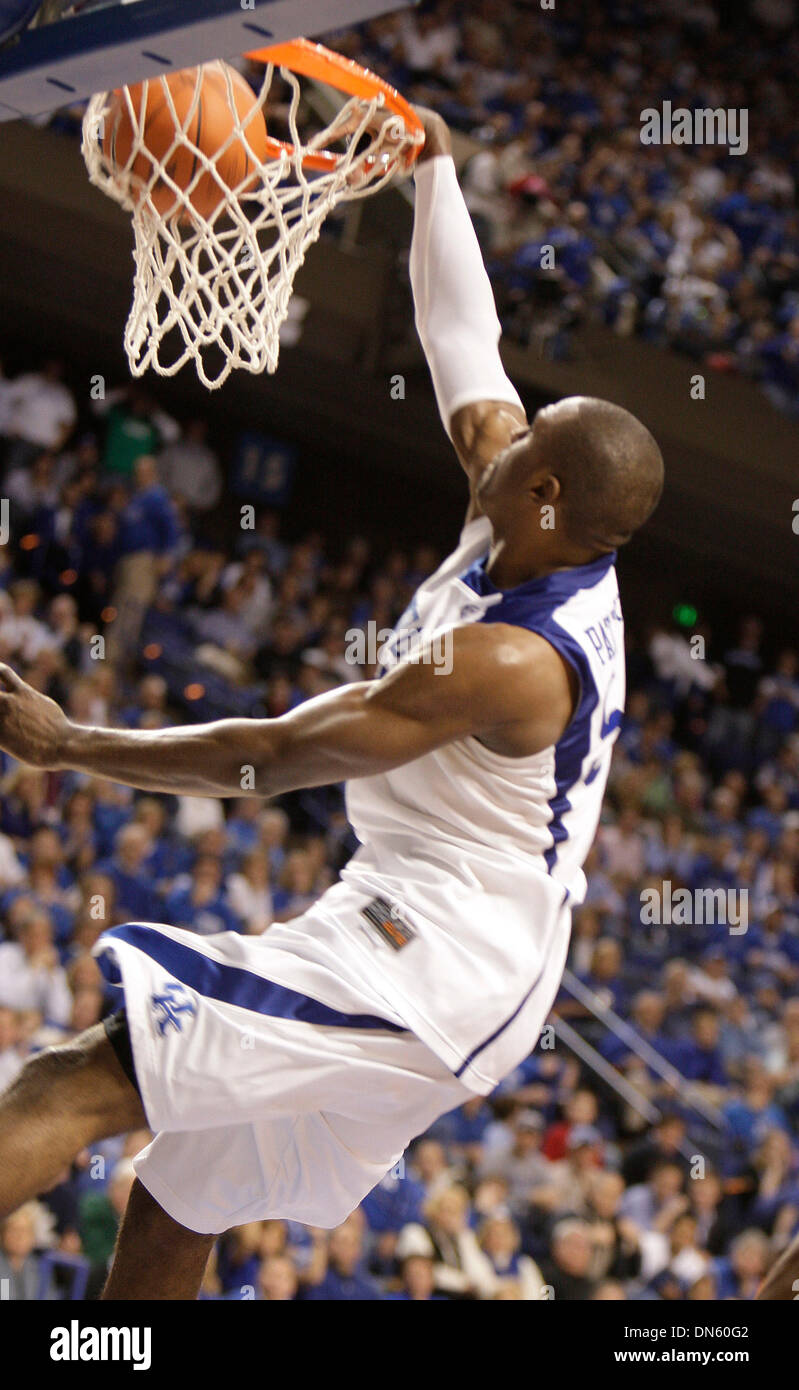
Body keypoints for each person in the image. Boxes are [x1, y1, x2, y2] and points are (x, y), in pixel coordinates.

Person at [0, 106, 663, 1300]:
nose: (494, 435)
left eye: (519, 447)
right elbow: (465, 330)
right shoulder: (526, 515)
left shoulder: (517, 663)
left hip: (441, 957)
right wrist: (435, 167)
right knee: (173, 1203)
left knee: (70, 1081)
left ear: (548, 494)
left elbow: (272, 753)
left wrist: (71, 743)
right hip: (427, 933)